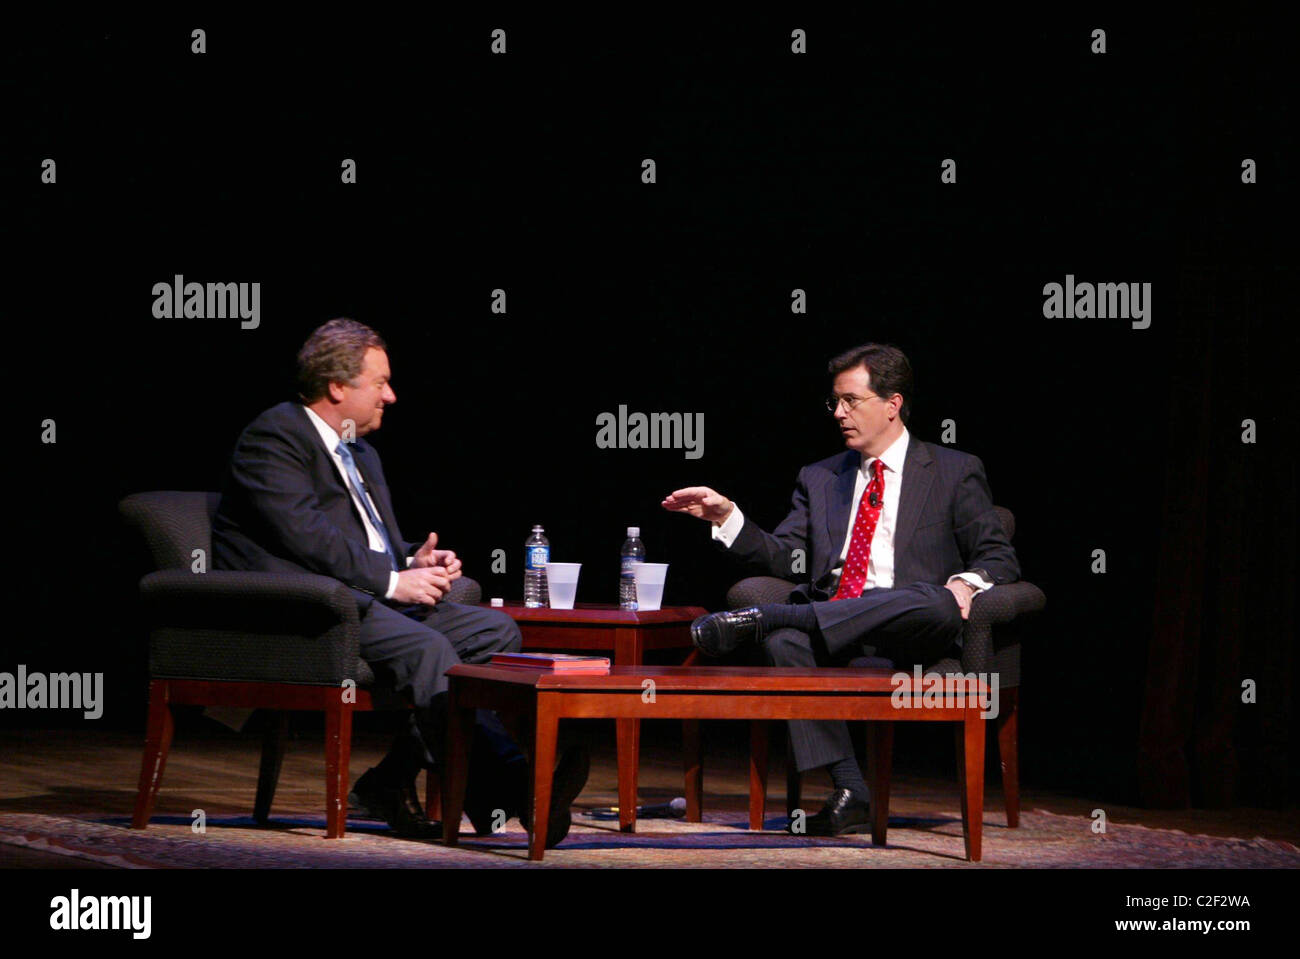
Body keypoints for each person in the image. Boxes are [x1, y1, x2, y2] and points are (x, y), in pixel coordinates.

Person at [211, 318, 588, 845]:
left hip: (359, 595)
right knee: (430, 649)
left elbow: (368, 541)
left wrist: (416, 560)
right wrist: (393, 582)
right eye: (379, 382)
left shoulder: (360, 452)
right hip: (305, 608)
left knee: (494, 633)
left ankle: (391, 782)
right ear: (338, 387)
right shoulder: (274, 438)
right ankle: (513, 787)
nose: (391, 394)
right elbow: (308, 540)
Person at [662, 343, 1018, 836]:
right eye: (834, 402)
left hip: (913, 626)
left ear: (892, 404)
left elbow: (999, 558)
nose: (839, 413)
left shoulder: (955, 472)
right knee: (784, 641)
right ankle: (851, 788)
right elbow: (788, 557)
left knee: (935, 598)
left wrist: (963, 582)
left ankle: (776, 616)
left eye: (851, 401)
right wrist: (728, 517)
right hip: (836, 624)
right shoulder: (821, 477)